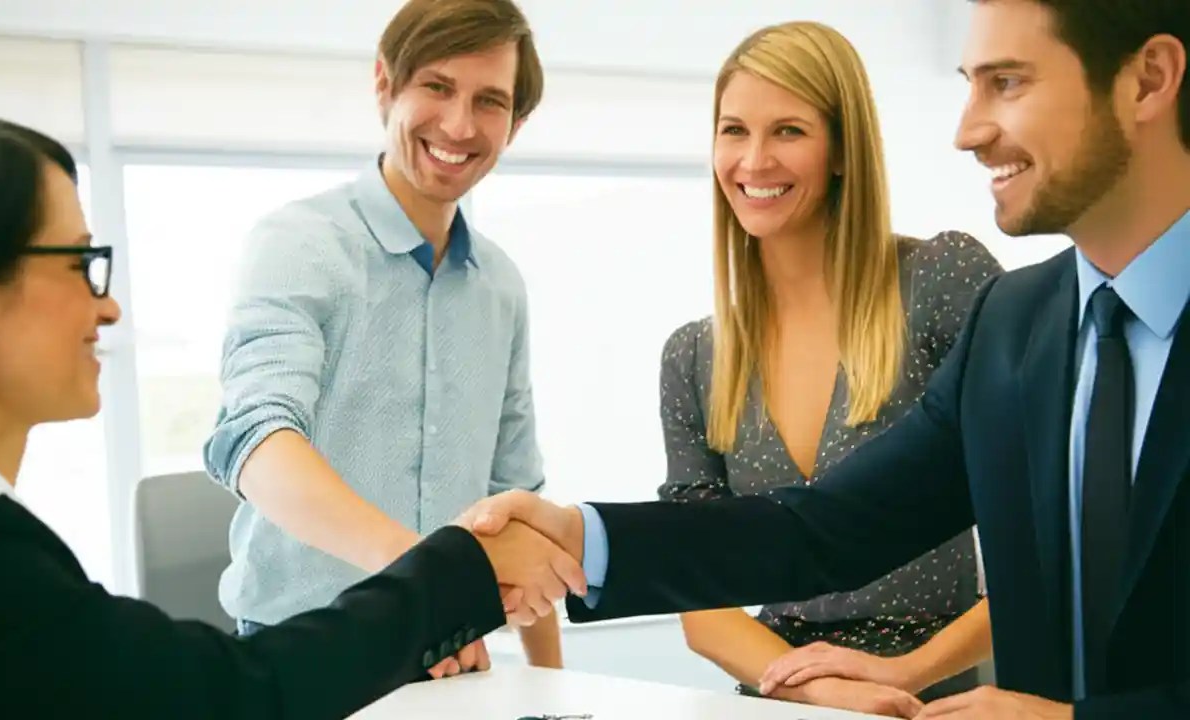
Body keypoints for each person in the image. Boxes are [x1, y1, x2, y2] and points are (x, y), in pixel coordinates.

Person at [463, 0, 1190, 716]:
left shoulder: (947, 284)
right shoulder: (1020, 323)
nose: (966, 130)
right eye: (970, 82)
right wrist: (582, 535)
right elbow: (828, 529)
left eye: (1008, 82)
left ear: (1150, 78)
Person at [0, 107, 582, 719]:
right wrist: (447, 572)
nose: (108, 307)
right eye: (81, 263)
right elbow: (228, 692)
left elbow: (513, 478)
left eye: (490, 101)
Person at [201, 0, 561, 677]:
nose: (459, 124)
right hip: (301, 653)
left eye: (489, 101)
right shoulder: (300, 244)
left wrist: (552, 687)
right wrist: (435, 579)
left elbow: (515, 493)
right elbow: (255, 441)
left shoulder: (501, 285)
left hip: (454, 657)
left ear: (515, 124)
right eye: (436, 86)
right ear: (383, 85)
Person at [657, 21, 1001, 718]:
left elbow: (1049, 526)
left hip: (936, 694)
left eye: (788, 131)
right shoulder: (695, 355)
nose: (753, 161)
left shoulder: (940, 281)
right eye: (733, 130)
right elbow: (697, 593)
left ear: (843, 148)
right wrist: (815, 685)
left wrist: (902, 674)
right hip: (780, 694)